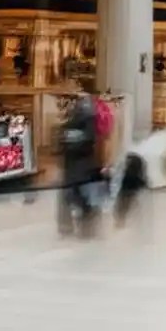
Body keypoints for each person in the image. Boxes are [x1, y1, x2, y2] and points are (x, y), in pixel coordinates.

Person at [57, 96, 104, 238]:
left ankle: (66, 227)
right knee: (86, 199)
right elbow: (91, 143)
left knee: (68, 197)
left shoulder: (68, 128)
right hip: (85, 169)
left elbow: (62, 147)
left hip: (72, 170)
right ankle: (87, 229)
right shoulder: (90, 126)